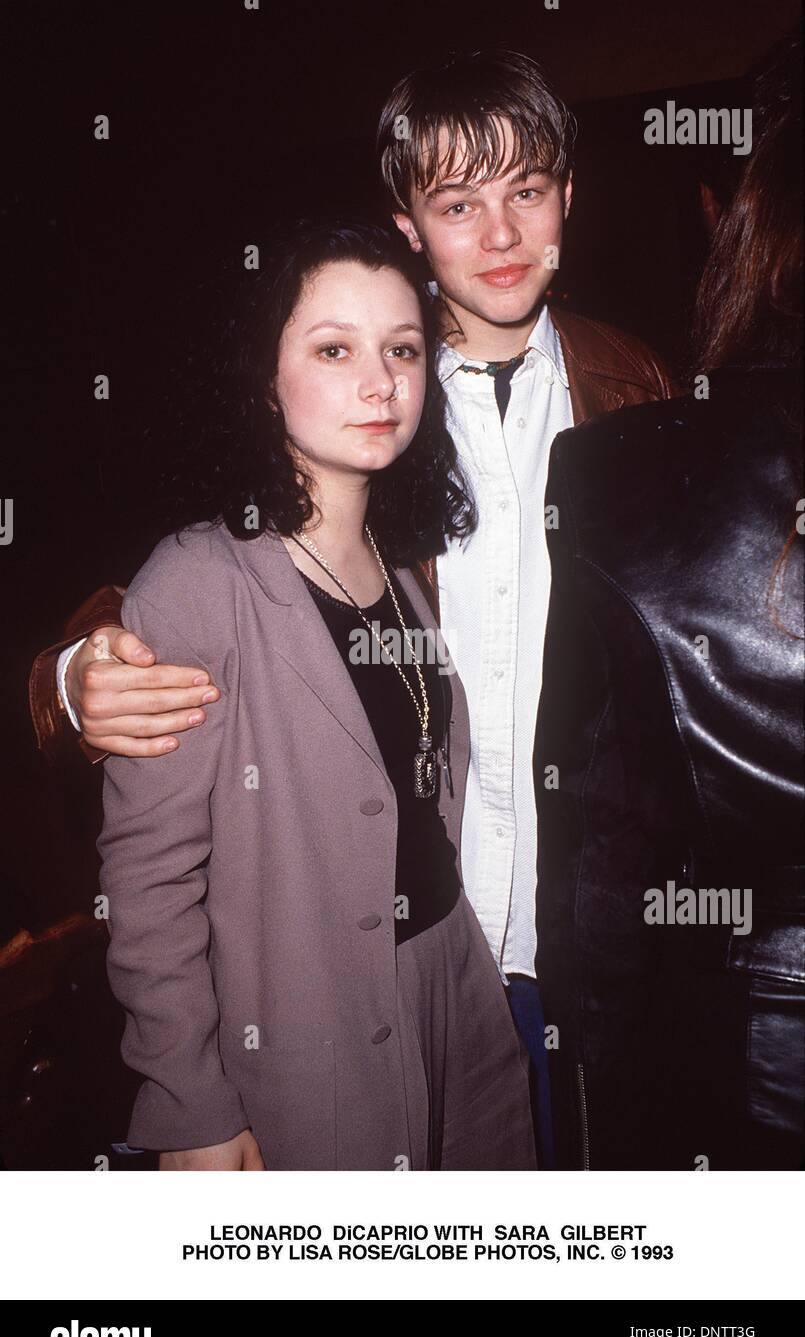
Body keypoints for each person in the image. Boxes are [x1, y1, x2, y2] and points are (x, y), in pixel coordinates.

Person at [30, 50, 676, 1167]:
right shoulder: (361, 383)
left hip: (592, 933)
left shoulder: (644, 391)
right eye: (458, 202)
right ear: (409, 223)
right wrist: (67, 677)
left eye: (528, 191)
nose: (502, 234)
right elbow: (203, 581)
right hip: (401, 939)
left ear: (570, 197)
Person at [96, 220, 537, 1170]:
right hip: (305, 1028)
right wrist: (190, 1102)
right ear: (264, 379)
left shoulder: (403, 569)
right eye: (333, 349)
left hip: (453, 995)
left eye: (402, 350)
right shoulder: (198, 578)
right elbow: (148, 879)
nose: (379, 382)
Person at [534, 34, 804, 1170]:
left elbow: (599, 827)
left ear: (729, 220)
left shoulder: (613, 467)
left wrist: (586, 1053)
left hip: (739, 1038)